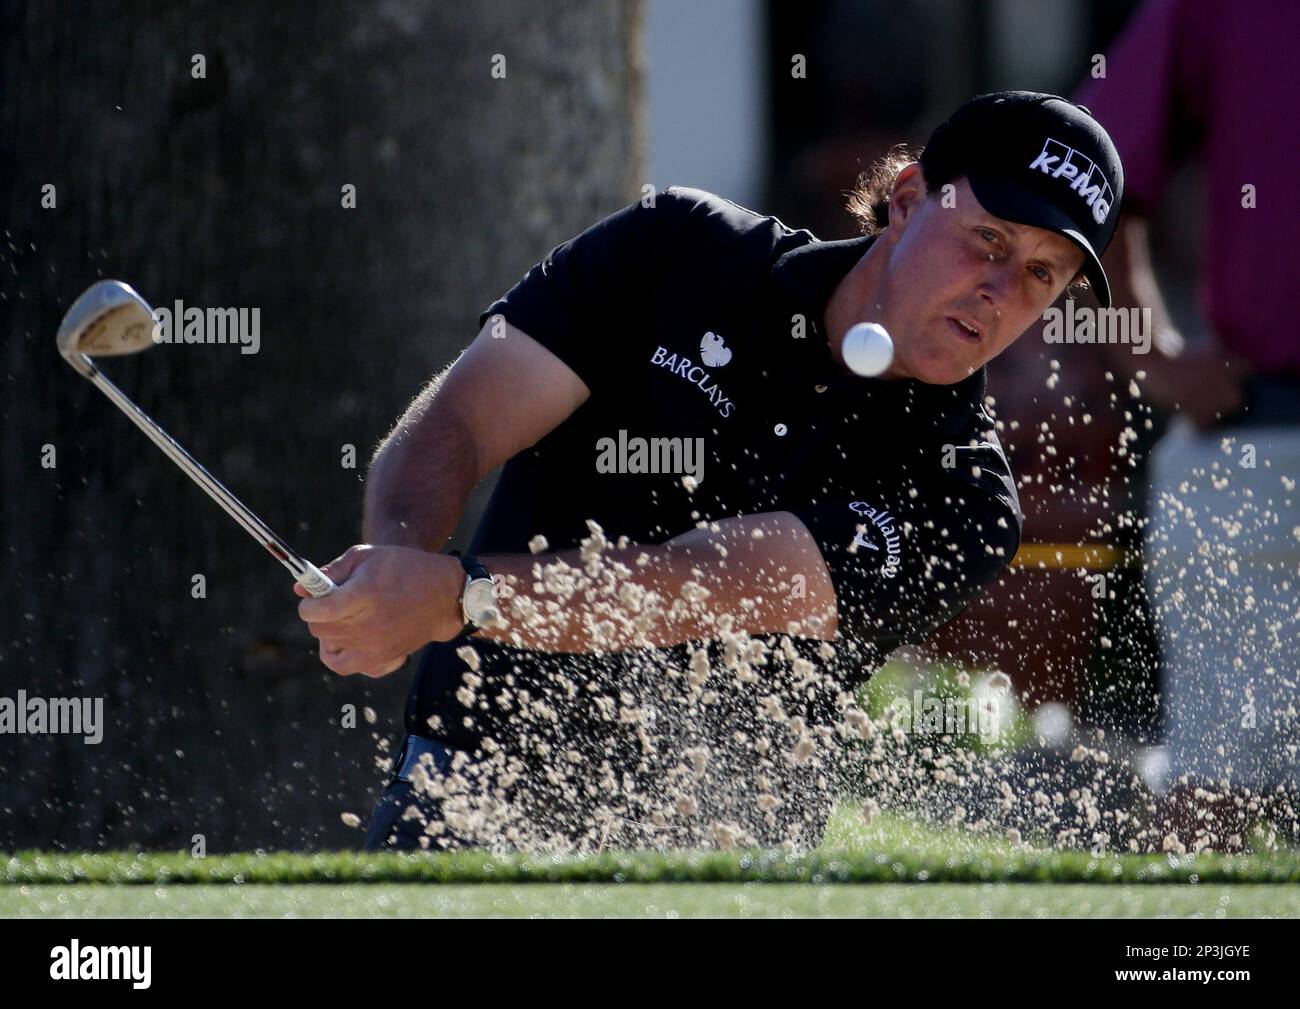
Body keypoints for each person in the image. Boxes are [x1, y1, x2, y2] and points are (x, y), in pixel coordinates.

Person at [295, 92, 1125, 852]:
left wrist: (454, 596)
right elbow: (462, 421)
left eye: (1039, 275)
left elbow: (696, 583)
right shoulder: (679, 249)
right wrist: (396, 568)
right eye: (989, 240)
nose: (999, 291)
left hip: (713, 855)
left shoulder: (968, 501)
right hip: (472, 785)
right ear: (907, 200)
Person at [1076, 0, 1300, 851]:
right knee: (1214, 793)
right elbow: (1088, 176)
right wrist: (1155, 359)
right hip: (1261, 441)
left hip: (1256, 450)